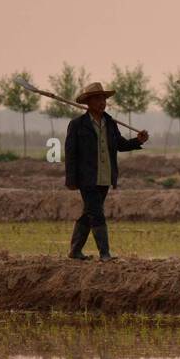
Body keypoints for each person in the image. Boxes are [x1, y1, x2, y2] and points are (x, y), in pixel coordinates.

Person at [64, 81, 149, 261]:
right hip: (86, 178)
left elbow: (120, 145)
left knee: (90, 212)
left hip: (105, 176)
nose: (102, 102)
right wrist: (71, 180)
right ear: (88, 102)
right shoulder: (77, 125)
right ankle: (105, 253)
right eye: (97, 98)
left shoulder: (110, 123)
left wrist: (138, 141)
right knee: (97, 213)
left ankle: (74, 250)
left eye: (103, 98)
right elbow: (70, 154)